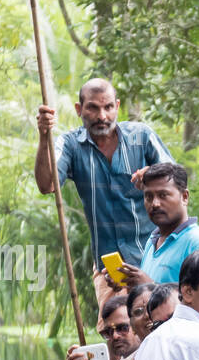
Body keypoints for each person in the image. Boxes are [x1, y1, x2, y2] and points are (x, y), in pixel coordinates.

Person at [34, 78, 172, 323]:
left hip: (151, 262)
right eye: (93, 108)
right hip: (109, 270)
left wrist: (150, 176)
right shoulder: (70, 144)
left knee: (156, 331)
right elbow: (47, 185)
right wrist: (44, 136)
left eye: (108, 107)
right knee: (117, 338)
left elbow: (174, 179)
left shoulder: (141, 136)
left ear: (117, 106)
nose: (102, 115)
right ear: (79, 110)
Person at [134, 163, 199, 285]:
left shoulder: (197, 244)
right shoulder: (152, 242)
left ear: (184, 197)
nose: (155, 203)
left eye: (163, 195)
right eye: (149, 197)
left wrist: (150, 287)